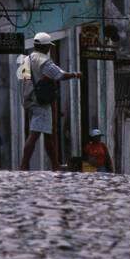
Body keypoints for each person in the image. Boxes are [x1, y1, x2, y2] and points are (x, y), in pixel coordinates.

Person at [19, 32, 81, 172]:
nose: (49, 49)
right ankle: (24, 164)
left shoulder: (27, 59)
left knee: (47, 135)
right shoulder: (44, 60)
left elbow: (24, 78)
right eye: (49, 46)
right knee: (34, 134)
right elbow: (59, 75)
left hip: (29, 100)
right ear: (46, 46)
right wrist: (75, 75)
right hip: (41, 102)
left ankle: (55, 164)